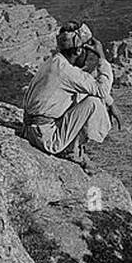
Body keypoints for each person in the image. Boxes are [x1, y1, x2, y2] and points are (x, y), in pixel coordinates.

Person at [22, 21, 121, 164]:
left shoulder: (55, 62)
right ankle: (72, 150)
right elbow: (101, 89)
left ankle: (72, 145)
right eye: (86, 52)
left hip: (32, 130)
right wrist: (102, 57)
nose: (87, 56)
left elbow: (85, 84)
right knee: (93, 102)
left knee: (82, 94)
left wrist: (111, 103)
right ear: (78, 50)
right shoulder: (66, 71)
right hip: (47, 138)